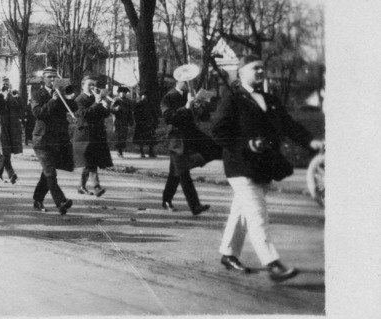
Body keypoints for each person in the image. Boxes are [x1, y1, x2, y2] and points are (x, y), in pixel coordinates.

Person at [211, 55, 323, 281]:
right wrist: (247, 144)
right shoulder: (232, 98)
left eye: (263, 68)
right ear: (241, 72)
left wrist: (310, 141)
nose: (261, 72)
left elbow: (288, 125)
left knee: (242, 211)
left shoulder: (270, 99)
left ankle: (228, 253)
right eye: (255, 69)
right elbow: (219, 131)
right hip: (240, 165)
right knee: (257, 214)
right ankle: (272, 263)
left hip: (263, 165)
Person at [160, 77, 220, 215]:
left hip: (192, 135)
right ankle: (194, 206)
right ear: (177, 81)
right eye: (185, 81)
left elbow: (203, 118)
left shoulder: (190, 95)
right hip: (177, 138)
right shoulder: (168, 97)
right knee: (181, 172)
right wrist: (186, 106)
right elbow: (169, 118)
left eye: (189, 82)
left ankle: (167, 199)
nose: (188, 84)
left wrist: (199, 107)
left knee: (213, 148)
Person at [31, 67, 77, 215]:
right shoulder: (38, 94)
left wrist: (69, 98)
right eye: (49, 77)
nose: (52, 79)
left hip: (57, 139)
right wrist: (54, 99)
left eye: (54, 77)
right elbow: (38, 113)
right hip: (42, 139)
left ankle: (37, 199)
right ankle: (61, 201)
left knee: (48, 172)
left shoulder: (60, 93)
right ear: (43, 79)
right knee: (50, 171)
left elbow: (74, 108)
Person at [73, 76, 113, 196]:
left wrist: (106, 104)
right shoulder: (79, 100)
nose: (92, 87)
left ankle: (81, 186)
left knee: (91, 161)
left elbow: (104, 114)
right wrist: (97, 102)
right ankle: (96, 187)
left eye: (93, 85)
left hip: (96, 134)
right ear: (83, 85)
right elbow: (84, 114)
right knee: (90, 162)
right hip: (84, 135)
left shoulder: (95, 98)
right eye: (90, 85)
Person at [0, 77, 23, 184]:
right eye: (4, 84)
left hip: (9, 128)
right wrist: (2, 96)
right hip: (0, 128)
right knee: (5, 152)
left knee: (5, 153)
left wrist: (16, 98)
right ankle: (3, 175)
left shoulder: (11, 96)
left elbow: (19, 109)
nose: (6, 86)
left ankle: (8, 175)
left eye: (7, 84)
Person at [111, 87, 135, 157]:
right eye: (121, 92)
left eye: (124, 92)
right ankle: (119, 150)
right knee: (118, 135)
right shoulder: (116, 100)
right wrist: (115, 109)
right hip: (117, 120)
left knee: (123, 136)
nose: (123, 94)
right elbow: (111, 110)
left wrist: (131, 121)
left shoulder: (128, 101)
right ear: (119, 93)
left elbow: (130, 112)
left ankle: (121, 149)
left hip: (125, 121)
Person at [133, 92, 158, 158]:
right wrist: (138, 121)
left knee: (151, 138)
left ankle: (151, 152)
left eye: (145, 95)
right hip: (141, 123)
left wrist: (155, 121)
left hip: (149, 123)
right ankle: (142, 152)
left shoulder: (150, 104)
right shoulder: (138, 104)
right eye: (143, 95)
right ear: (141, 96)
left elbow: (154, 113)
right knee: (141, 139)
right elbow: (136, 114)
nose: (144, 96)